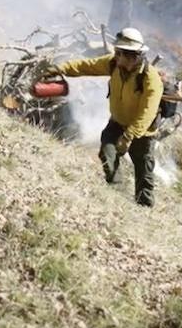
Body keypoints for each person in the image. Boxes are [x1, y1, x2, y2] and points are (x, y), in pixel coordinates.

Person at [46, 28, 164, 206]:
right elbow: (87, 66)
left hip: (142, 132)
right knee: (107, 152)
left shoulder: (150, 79)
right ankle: (115, 190)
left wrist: (129, 135)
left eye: (119, 53)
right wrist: (60, 69)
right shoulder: (114, 64)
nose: (115, 56)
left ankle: (144, 204)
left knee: (143, 168)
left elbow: (147, 112)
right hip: (117, 123)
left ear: (132, 55)